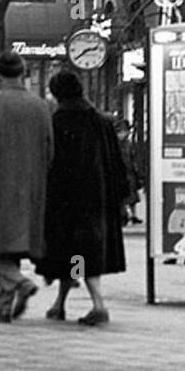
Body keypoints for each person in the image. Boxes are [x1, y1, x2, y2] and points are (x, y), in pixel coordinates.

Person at [38, 70, 128, 324]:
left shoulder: (58, 122)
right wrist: (121, 197)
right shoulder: (101, 121)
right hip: (98, 198)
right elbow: (116, 163)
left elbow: (50, 162)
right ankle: (60, 303)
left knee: (77, 255)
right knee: (78, 254)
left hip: (67, 202)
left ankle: (98, 304)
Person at [0, 51, 54, 323]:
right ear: (23, 73)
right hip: (32, 185)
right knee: (11, 246)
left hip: (0, 183)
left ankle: (20, 282)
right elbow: (49, 148)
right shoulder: (40, 105)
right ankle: (3, 307)